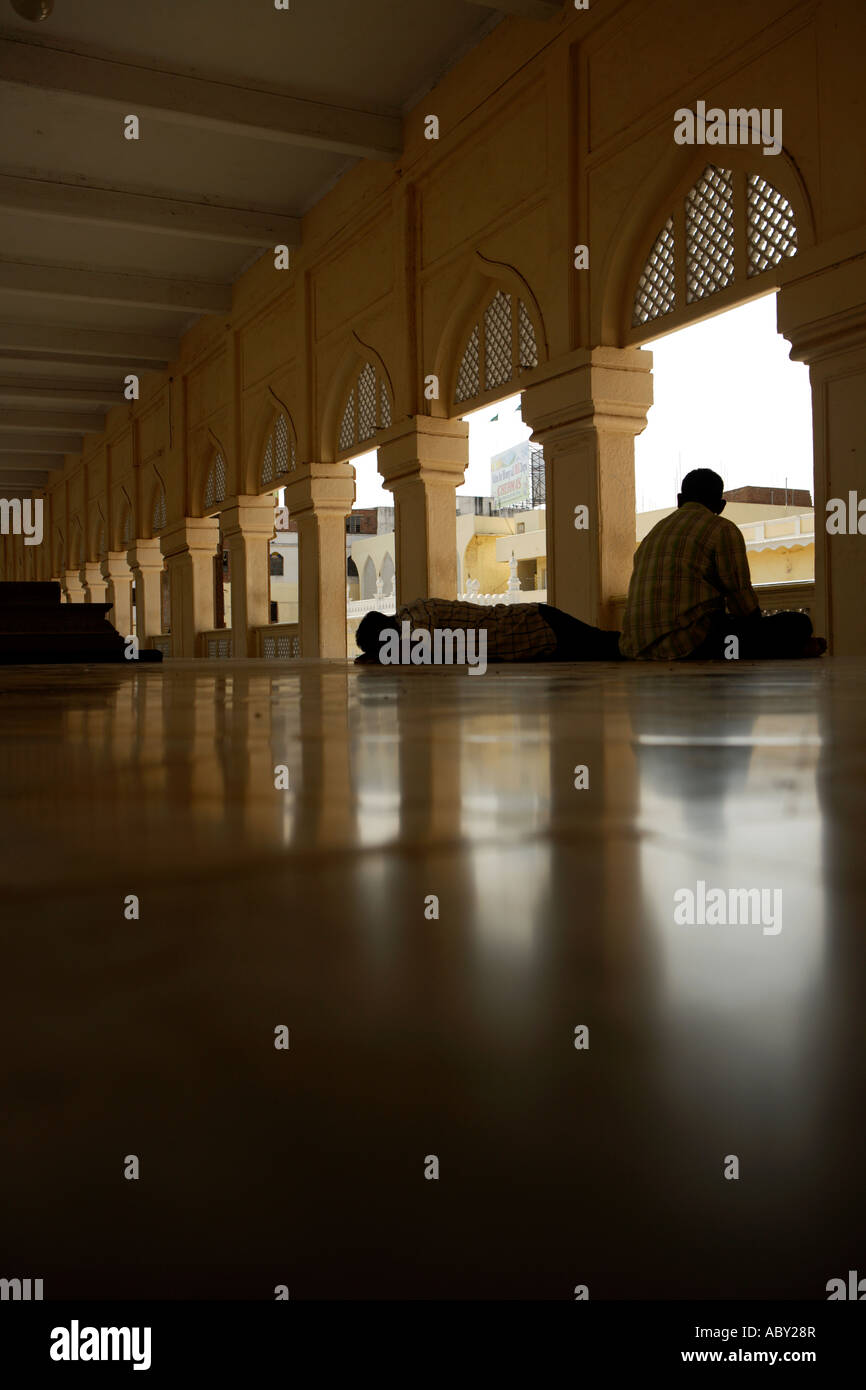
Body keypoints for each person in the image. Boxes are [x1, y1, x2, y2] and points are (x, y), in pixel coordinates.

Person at [619, 468, 826, 660]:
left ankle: (782, 646)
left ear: (680, 499)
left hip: (636, 647)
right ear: (721, 505)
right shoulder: (721, 529)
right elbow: (743, 605)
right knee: (797, 624)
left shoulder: (653, 534)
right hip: (691, 646)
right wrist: (759, 633)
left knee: (743, 634)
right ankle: (790, 647)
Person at [354, 597, 623, 664]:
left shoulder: (412, 612)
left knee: (615, 646)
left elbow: (421, 646)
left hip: (536, 622)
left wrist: (383, 656)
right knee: (609, 651)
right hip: (536, 642)